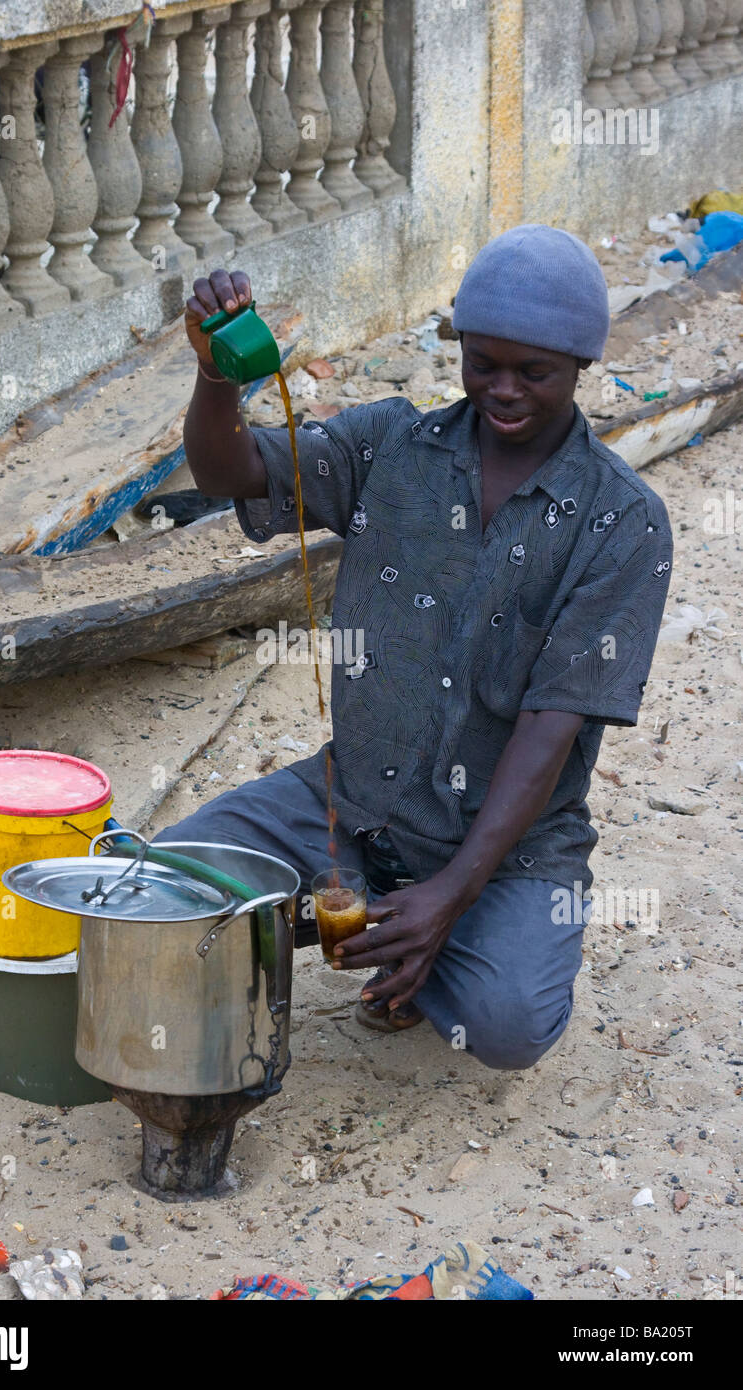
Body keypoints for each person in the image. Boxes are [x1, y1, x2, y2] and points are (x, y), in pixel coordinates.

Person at [153, 223, 673, 1070]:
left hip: (506, 849)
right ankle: (364, 919)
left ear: (580, 364)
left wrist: (449, 895)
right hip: (346, 805)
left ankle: (400, 931)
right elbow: (228, 471)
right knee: (168, 888)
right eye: (483, 362)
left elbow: (552, 730)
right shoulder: (387, 446)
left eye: (533, 372)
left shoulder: (621, 519)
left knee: (506, 1024)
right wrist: (216, 378)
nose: (502, 389)